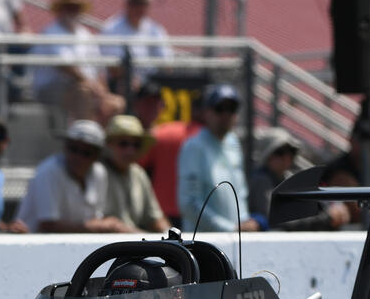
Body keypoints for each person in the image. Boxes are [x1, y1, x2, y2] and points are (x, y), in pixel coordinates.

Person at [15, 120, 134, 234]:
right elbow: (48, 225)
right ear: (65, 147)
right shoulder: (49, 171)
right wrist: (101, 226)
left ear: (96, 155)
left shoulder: (99, 173)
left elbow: (96, 218)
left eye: (86, 153)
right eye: (73, 149)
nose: (78, 157)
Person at [31, 0, 124, 124]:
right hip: (52, 89)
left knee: (117, 103)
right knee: (83, 93)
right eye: (69, 7)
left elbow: (99, 69)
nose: (72, 11)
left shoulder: (85, 35)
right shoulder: (51, 32)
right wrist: (92, 86)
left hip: (85, 87)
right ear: (60, 10)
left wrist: (103, 93)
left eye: (76, 7)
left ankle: (101, 140)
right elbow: (64, 66)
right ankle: (84, 139)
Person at [176, 84, 258, 233]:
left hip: (235, 241)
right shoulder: (193, 147)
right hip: (202, 244)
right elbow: (189, 203)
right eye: (219, 108)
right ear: (206, 113)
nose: (226, 115)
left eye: (231, 109)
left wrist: (245, 222)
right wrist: (229, 229)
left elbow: (241, 192)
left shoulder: (233, 142)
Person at [247, 128, 348, 231]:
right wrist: (326, 218)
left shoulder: (284, 177)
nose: (287, 157)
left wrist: (334, 210)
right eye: (280, 152)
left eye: (291, 151)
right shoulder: (262, 180)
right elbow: (276, 221)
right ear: (267, 155)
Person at [135, 81, 198, 228]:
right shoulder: (130, 133)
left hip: (165, 212)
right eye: (147, 102)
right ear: (137, 104)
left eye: (156, 103)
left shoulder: (163, 133)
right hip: (144, 213)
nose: (152, 107)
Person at [101, 0, 170, 94]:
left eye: (143, 3)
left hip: (150, 80)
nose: (139, 7)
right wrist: (132, 78)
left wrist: (144, 80)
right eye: (135, 2)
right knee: (125, 86)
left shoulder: (155, 30)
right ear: (127, 3)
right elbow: (113, 67)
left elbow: (166, 62)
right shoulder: (111, 28)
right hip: (121, 80)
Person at [102, 114, 167, 233]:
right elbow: (107, 225)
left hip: (135, 244)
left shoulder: (138, 173)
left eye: (136, 145)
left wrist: (170, 235)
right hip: (101, 247)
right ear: (109, 144)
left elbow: (155, 218)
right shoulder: (98, 172)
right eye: (123, 143)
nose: (130, 150)